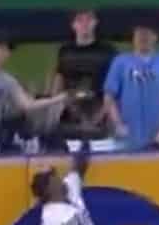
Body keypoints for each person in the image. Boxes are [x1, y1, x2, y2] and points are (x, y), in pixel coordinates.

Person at [104, 23, 159, 151]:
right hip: (126, 137)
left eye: (147, 34)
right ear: (133, 37)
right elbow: (109, 96)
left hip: (158, 137)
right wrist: (118, 124)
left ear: (155, 37)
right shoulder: (120, 62)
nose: (143, 38)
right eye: (139, 34)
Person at [49, 9, 116, 139]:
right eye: (80, 20)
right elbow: (58, 83)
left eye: (89, 19)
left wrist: (101, 114)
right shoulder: (65, 51)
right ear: (73, 25)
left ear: (95, 23)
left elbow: (115, 86)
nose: (84, 24)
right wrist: (54, 104)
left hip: (101, 110)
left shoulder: (108, 51)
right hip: (69, 110)